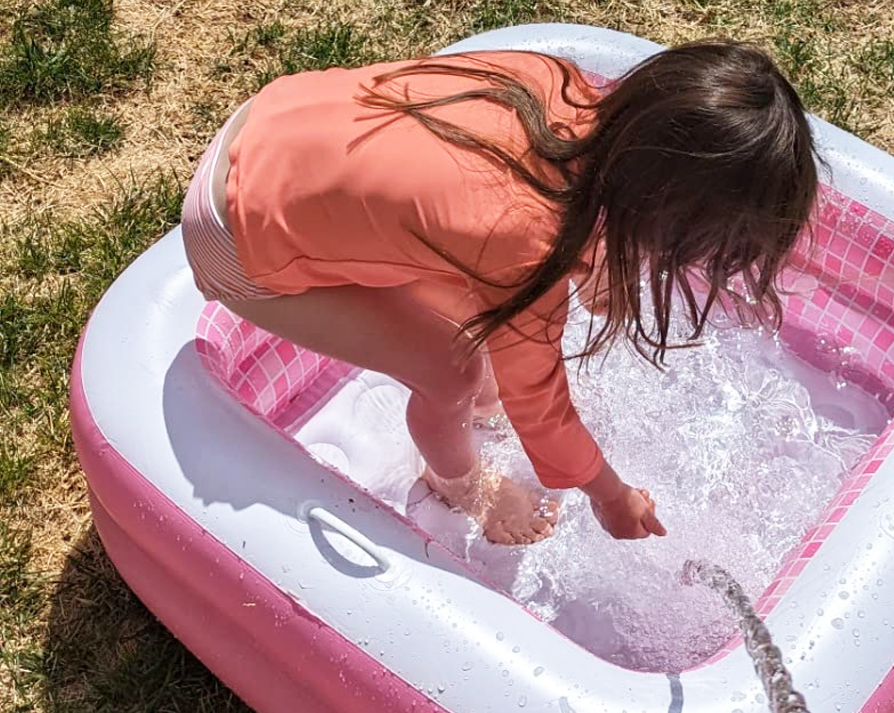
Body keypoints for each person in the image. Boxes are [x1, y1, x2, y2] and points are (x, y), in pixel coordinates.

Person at [181, 41, 818, 546]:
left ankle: (474, 417)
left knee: (481, 311)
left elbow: (471, 197)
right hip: (233, 235)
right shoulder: (525, 244)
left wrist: (598, 263)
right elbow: (541, 408)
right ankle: (457, 481)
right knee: (452, 370)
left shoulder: (557, 83)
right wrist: (609, 494)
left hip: (269, 124)